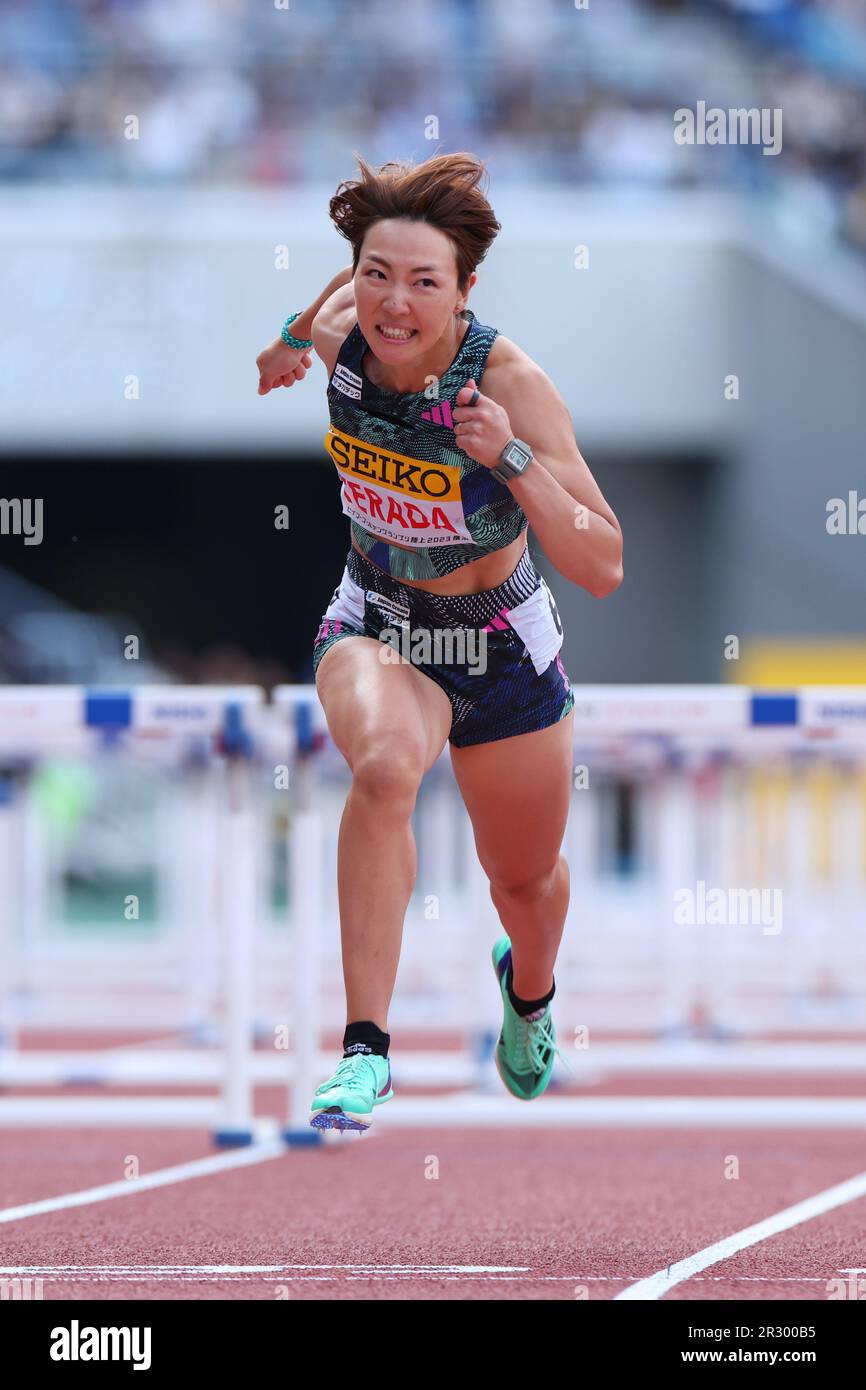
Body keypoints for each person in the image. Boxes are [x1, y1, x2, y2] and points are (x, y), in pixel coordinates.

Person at [256, 152, 623, 1132]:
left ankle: (529, 991)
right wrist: (284, 341)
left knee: (523, 885)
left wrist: (505, 456)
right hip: (379, 620)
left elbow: (602, 563)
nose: (393, 303)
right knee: (383, 767)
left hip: (500, 645)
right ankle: (365, 1050)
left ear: (465, 291)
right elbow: (328, 306)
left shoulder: (510, 385)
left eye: (423, 283)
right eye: (376, 273)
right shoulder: (342, 334)